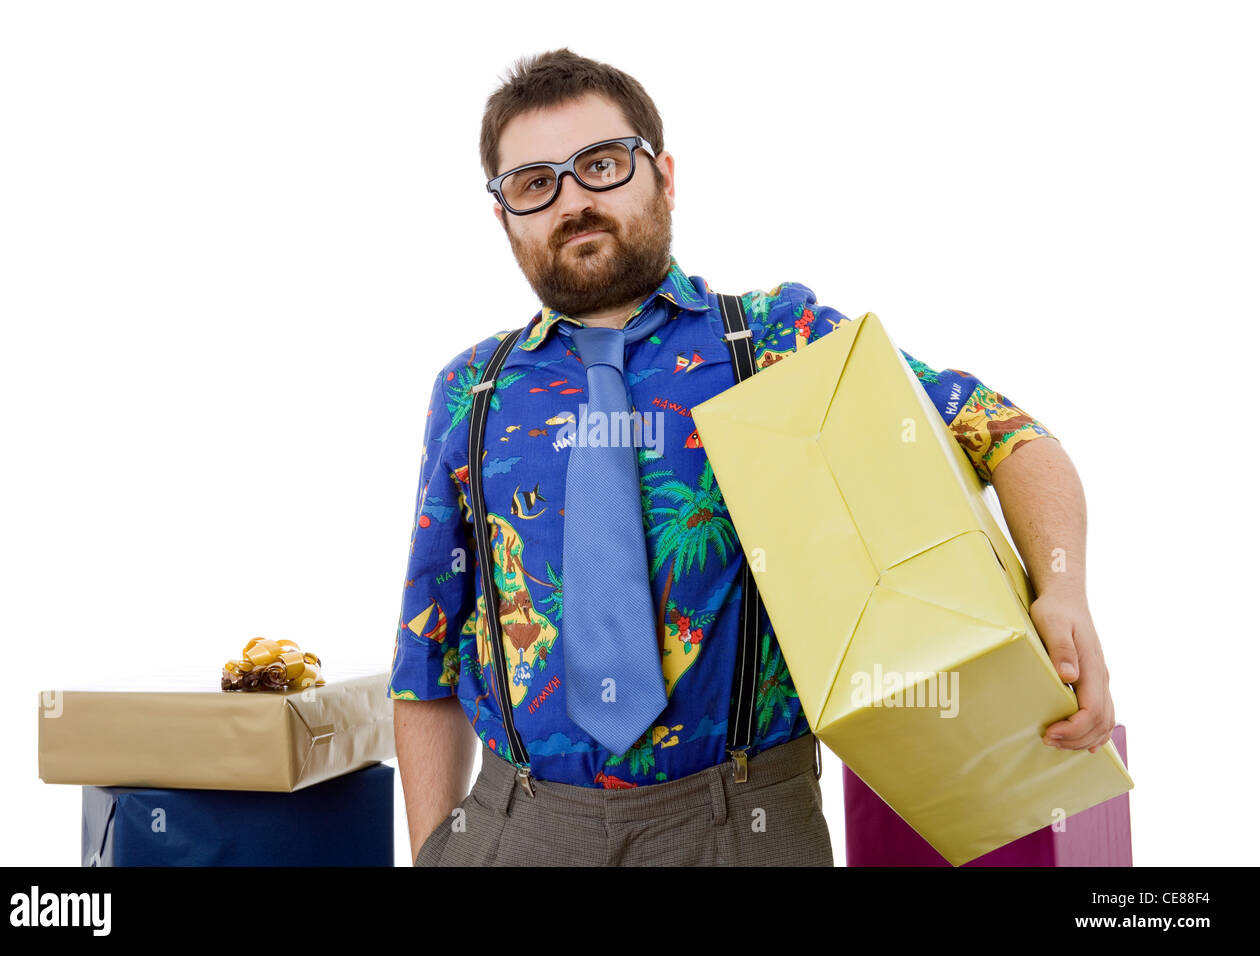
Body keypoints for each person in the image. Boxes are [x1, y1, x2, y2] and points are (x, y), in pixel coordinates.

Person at [390, 48, 1115, 867]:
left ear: (663, 174)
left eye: (600, 165)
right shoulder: (470, 390)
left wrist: (1063, 590)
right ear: (504, 215)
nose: (573, 201)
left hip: (739, 822)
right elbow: (427, 653)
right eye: (534, 183)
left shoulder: (776, 340)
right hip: (516, 824)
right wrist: (433, 851)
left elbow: (1003, 432)